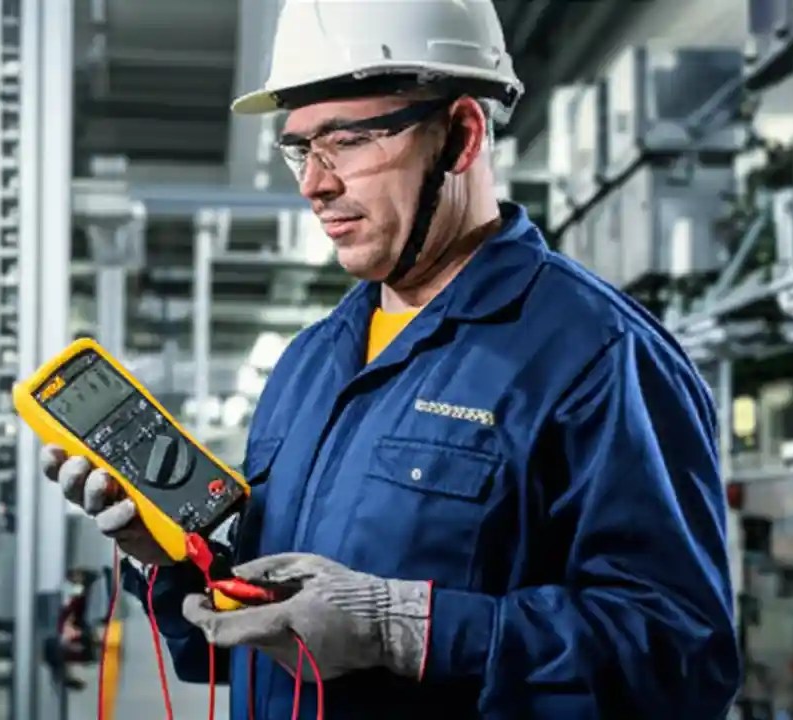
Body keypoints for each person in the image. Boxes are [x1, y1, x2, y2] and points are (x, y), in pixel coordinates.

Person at [41, 0, 741, 717]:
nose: (314, 183)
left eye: (345, 140)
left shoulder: (599, 356)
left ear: (462, 135)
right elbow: (238, 648)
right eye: (299, 149)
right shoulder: (308, 364)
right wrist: (167, 559)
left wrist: (402, 628)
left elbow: (682, 660)